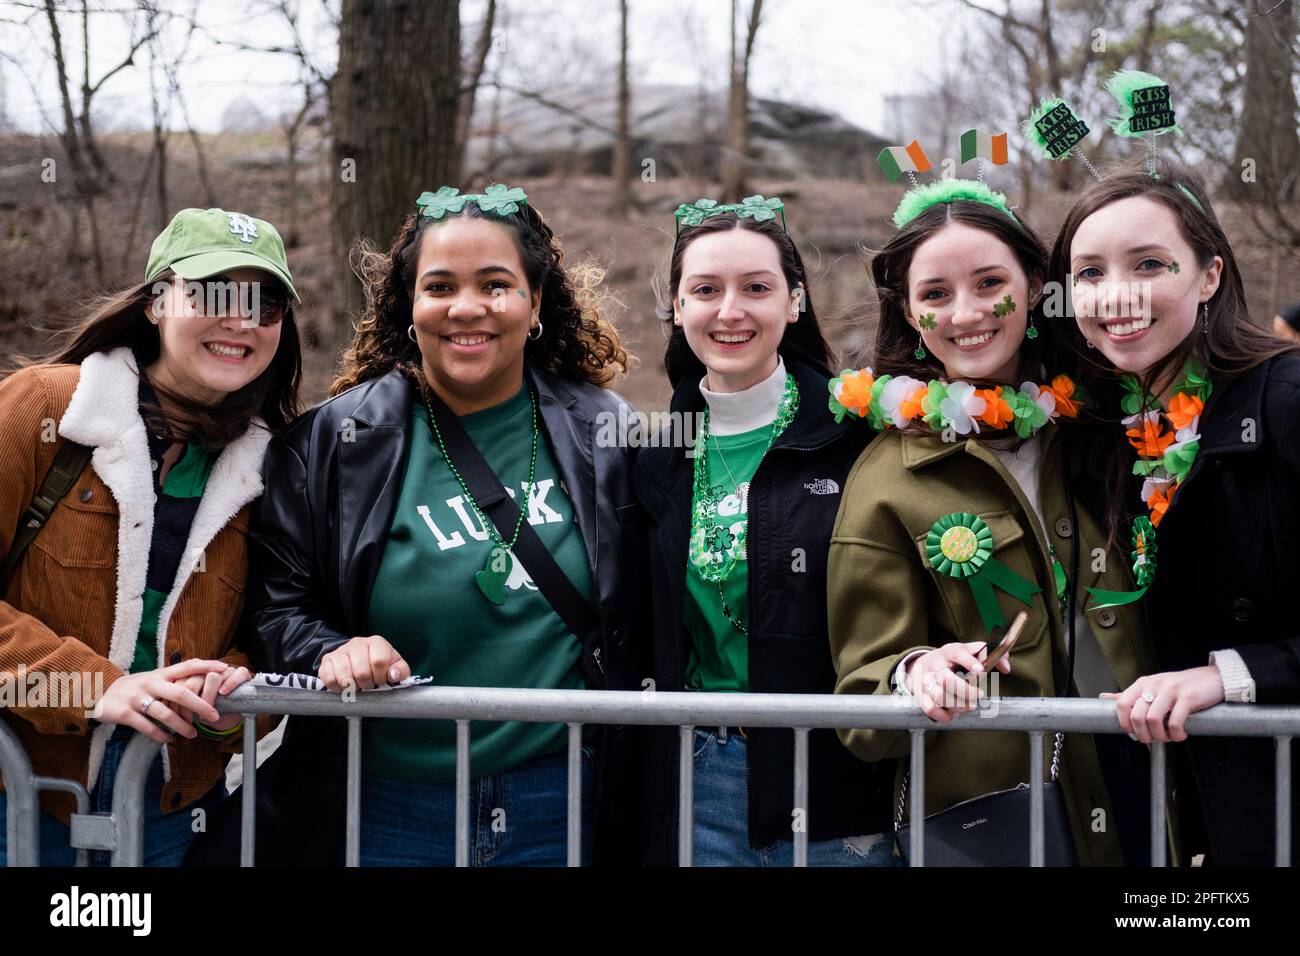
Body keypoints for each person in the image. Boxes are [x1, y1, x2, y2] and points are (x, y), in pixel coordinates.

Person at [246, 184, 642, 866]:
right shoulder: (331, 444)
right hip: (384, 808)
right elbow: (273, 610)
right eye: (440, 286)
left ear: (535, 302)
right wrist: (327, 650)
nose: (467, 308)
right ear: (411, 307)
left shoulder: (607, 432)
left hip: (565, 802)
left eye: (495, 284)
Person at [827, 180, 1158, 866]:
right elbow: (862, 693)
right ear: (911, 311)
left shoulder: (1111, 431)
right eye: (936, 294)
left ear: (1036, 286)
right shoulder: (888, 477)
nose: (967, 312)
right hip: (997, 825)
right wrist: (913, 671)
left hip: (1146, 797)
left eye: (989, 282)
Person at [0, 207, 298, 865]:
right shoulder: (45, 409)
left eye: (267, 301)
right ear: (157, 302)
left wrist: (237, 700)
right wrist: (92, 684)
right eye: (215, 292)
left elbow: (280, 635)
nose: (242, 318)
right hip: (18, 794)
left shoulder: (280, 467)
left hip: (171, 815)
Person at [1051, 156, 1300, 865]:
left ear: (1210, 276)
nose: (1114, 295)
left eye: (1150, 264)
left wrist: (1231, 673)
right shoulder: (1116, 434)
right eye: (1090, 273)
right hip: (1212, 816)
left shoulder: (1285, 399)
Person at [633, 196, 896, 866]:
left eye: (756, 288)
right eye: (705, 290)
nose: (730, 311)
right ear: (676, 307)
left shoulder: (860, 433)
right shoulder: (655, 456)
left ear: (795, 302)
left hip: (838, 776)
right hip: (704, 774)